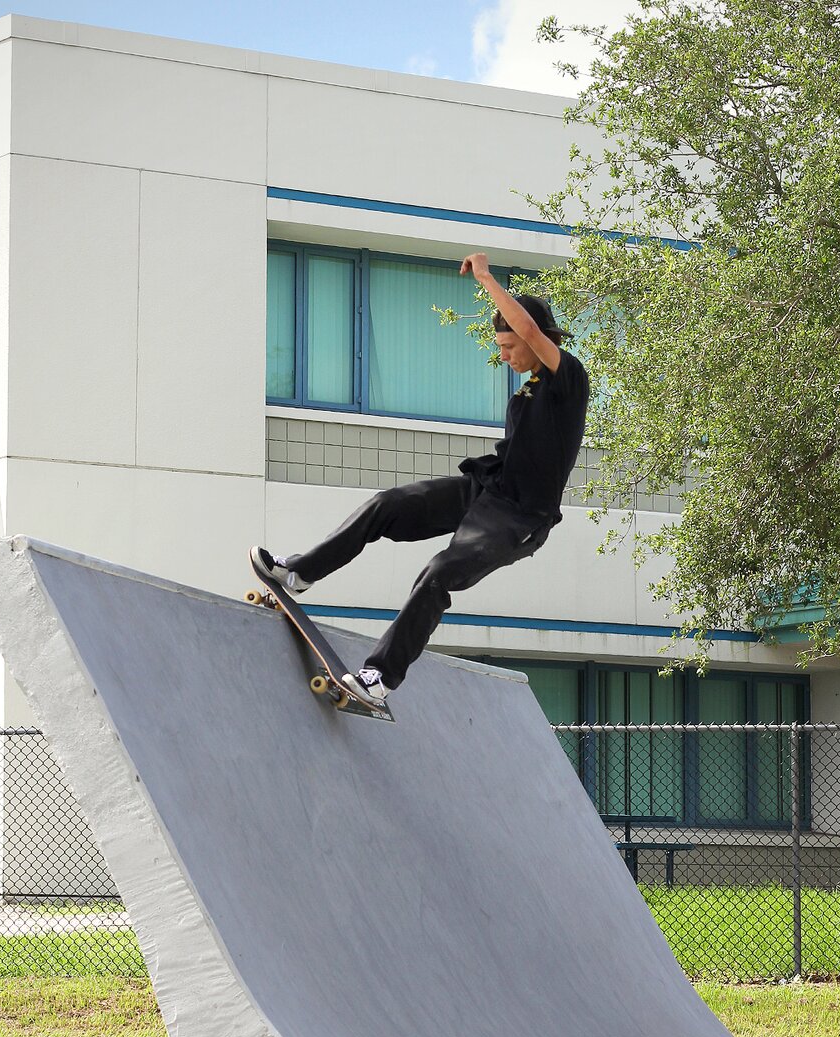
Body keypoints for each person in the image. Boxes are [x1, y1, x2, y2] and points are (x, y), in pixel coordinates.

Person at [250, 252, 589, 707]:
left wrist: (487, 279)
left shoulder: (568, 378)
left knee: (438, 574)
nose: (504, 354)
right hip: (486, 488)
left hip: (519, 516)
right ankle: (300, 573)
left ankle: (379, 679)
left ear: (538, 340)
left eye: (509, 346)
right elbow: (521, 337)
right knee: (386, 504)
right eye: (500, 346)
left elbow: (527, 328)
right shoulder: (528, 387)